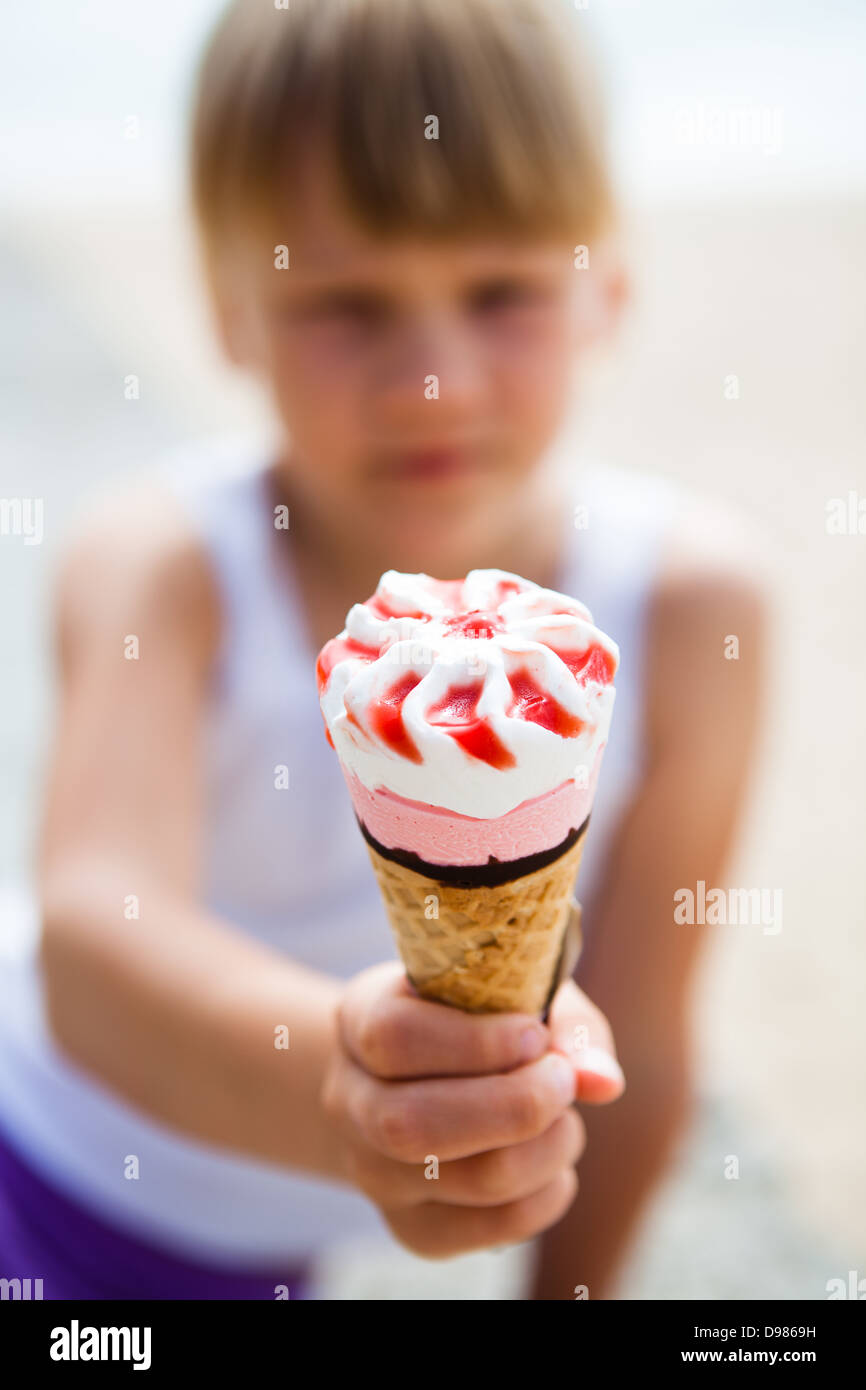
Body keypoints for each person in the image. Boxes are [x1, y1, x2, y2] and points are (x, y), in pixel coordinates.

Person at [0, 0, 764, 1300]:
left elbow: (637, 1040)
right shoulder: (163, 565)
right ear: (229, 311)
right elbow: (90, 940)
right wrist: (346, 1078)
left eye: (500, 290)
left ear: (607, 287)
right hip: (52, 1185)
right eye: (345, 302)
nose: (431, 379)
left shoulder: (691, 613)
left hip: (287, 1259)